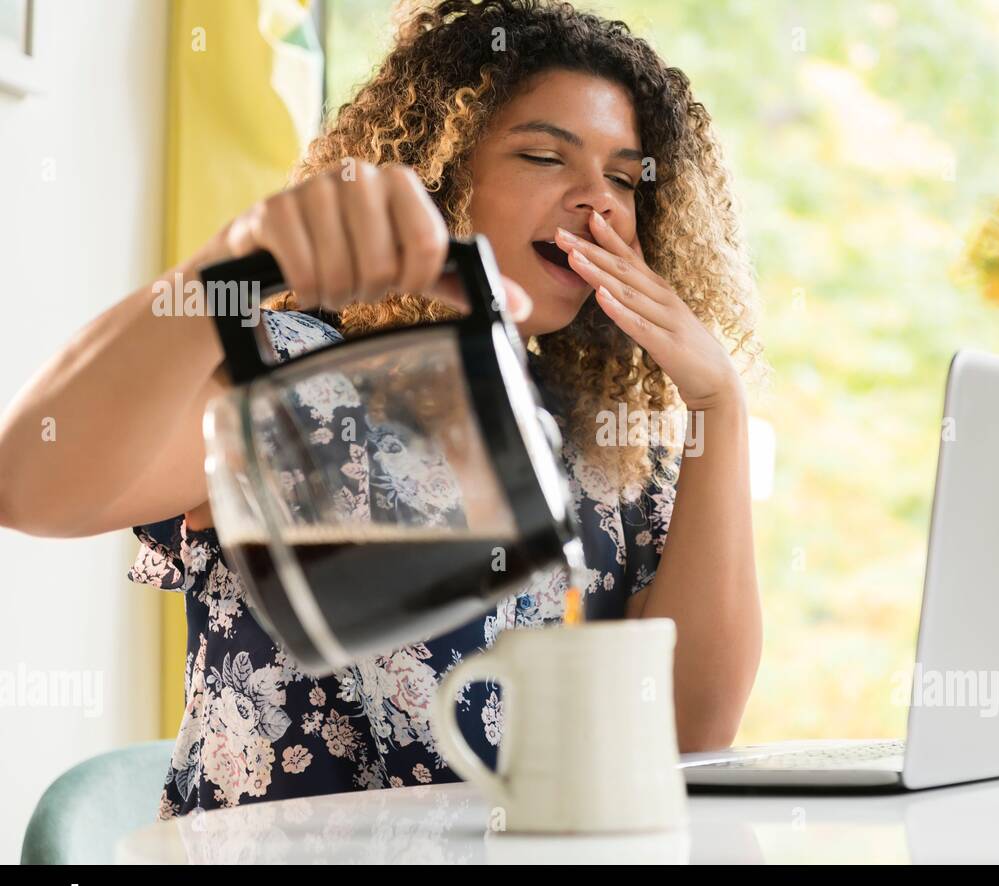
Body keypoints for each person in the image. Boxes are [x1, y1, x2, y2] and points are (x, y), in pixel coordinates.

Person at [0, 0, 762, 817]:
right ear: (442, 168)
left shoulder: (612, 447)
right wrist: (229, 268)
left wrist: (720, 403)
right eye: (546, 156)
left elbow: (687, 733)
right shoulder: (286, 374)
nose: (599, 202)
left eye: (622, 177)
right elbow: (30, 486)